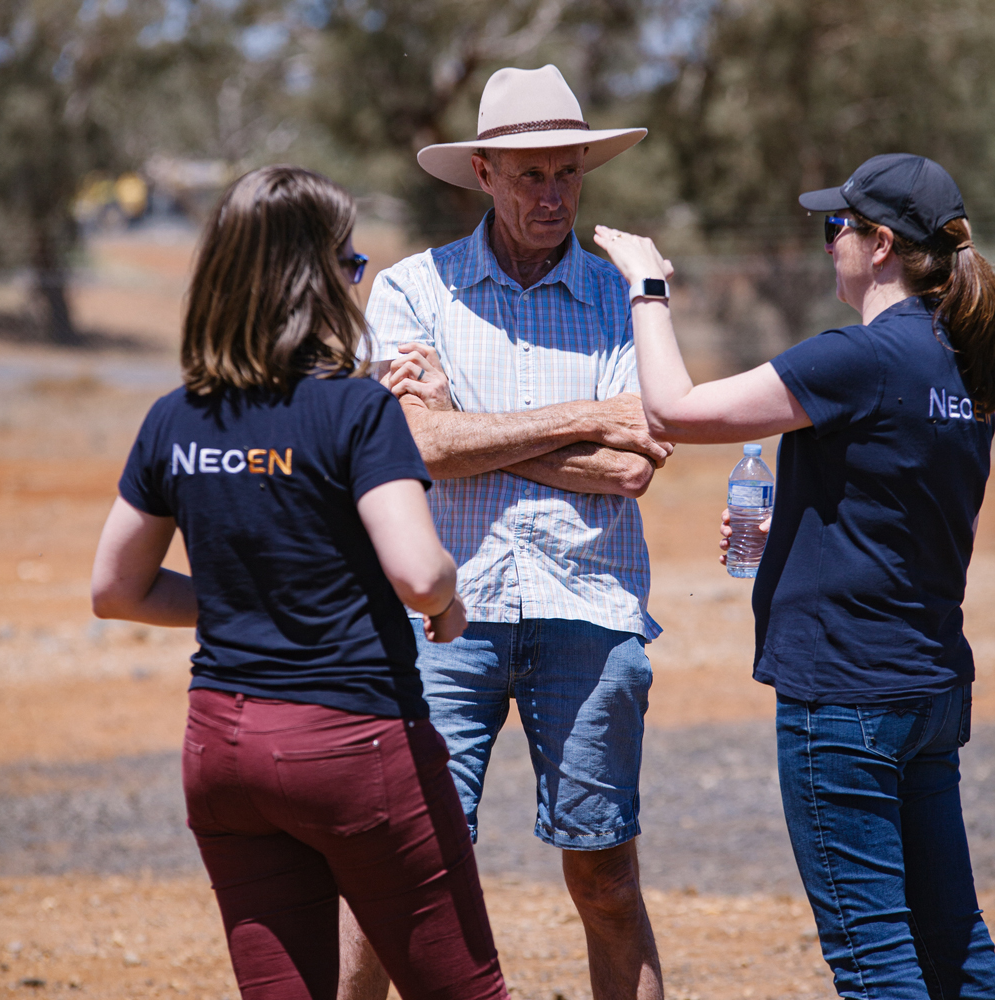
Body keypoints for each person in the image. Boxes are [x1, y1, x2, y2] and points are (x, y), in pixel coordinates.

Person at [90, 165, 509, 1000]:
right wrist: (450, 601)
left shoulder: (175, 417)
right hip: (352, 742)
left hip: (221, 749)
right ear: (313, 280)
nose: (360, 283)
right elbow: (420, 572)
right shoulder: (356, 410)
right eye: (350, 265)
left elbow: (116, 590)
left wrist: (255, 600)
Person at [596, 153, 995, 997]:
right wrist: (796, 530)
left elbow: (674, 409)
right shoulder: (960, 364)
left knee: (876, 959)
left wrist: (646, 287)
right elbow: (906, 508)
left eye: (835, 228)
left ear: (880, 243)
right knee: (955, 947)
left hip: (845, 695)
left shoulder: (858, 358)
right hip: (923, 690)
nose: (828, 247)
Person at [342, 64, 673, 1000]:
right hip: (445, 611)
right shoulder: (413, 290)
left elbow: (630, 467)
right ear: (482, 174)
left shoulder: (625, 298)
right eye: (531, 175)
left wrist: (462, 435)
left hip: (592, 605)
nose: (554, 193)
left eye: (568, 172)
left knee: (607, 877)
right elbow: (413, 446)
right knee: (400, 875)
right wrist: (583, 416)